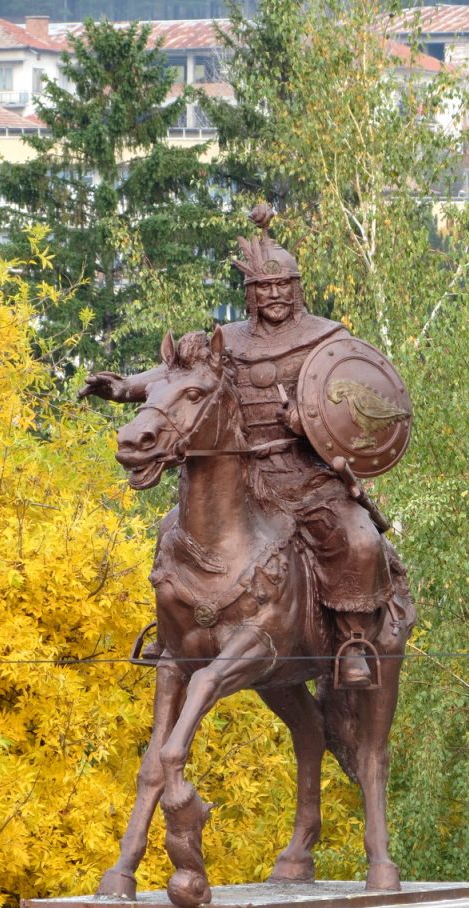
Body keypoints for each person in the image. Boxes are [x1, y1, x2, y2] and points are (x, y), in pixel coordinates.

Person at [81, 204, 400, 687]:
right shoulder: (226, 340)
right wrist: (123, 386)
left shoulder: (327, 339)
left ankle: (353, 640)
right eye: (261, 288)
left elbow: (352, 402)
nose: (272, 295)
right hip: (246, 480)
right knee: (173, 533)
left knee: (358, 540)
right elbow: (176, 378)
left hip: (309, 472)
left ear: (295, 289)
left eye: (280, 286)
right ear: (249, 295)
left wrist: (308, 423)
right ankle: (170, 634)